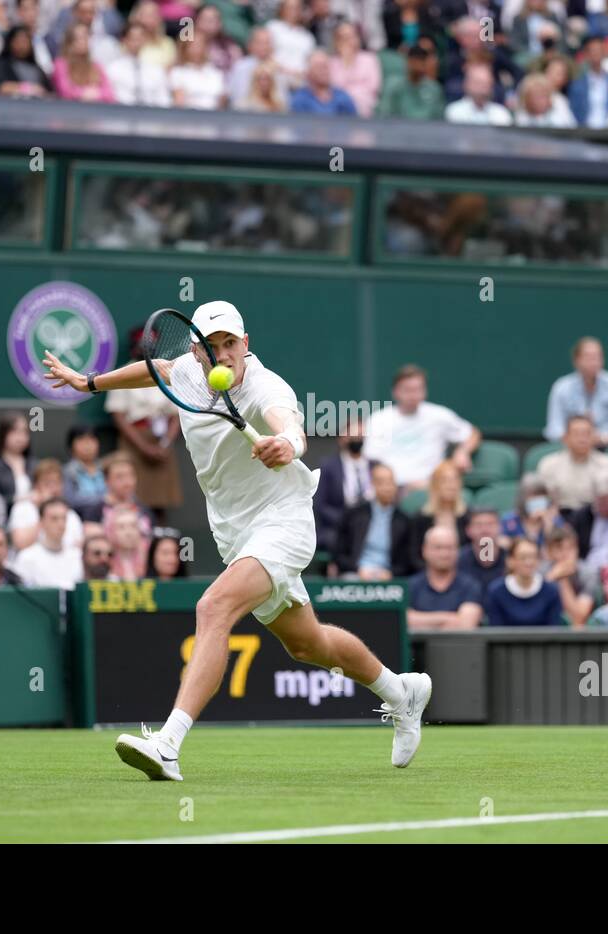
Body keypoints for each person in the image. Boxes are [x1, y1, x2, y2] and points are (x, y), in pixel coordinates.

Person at [43, 299, 432, 779]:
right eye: (212, 346)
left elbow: (290, 423)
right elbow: (157, 369)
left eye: (231, 344)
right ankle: (402, 693)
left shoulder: (267, 385)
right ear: (197, 350)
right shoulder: (185, 369)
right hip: (235, 529)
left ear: (246, 345)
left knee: (213, 607)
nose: (223, 354)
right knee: (307, 646)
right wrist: (89, 382)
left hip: (284, 521)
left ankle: (168, 744)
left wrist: (286, 443)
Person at [363, 364, 480, 490]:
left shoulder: (439, 415)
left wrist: (463, 451)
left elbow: (472, 433)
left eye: (418, 389)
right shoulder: (378, 420)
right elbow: (371, 461)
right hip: (390, 491)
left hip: (432, 489)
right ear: (395, 392)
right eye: (407, 390)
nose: (413, 395)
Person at [105, 327, 182, 517]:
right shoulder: (122, 373)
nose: (147, 348)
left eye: (151, 343)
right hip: (135, 442)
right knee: (133, 499)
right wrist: (144, 447)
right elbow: (119, 415)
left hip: (161, 442)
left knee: (161, 503)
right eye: (142, 344)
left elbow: (176, 414)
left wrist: (165, 444)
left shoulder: (165, 372)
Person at [543, 337, 608, 446]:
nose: (594, 362)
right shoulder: (561, 387)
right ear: (576, 360)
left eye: (597, 357)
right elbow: (553, 429)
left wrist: (601, 438)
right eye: (588, 357)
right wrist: (576, 439)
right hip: (570, 449)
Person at [333, 461, 416, 580]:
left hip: (390, 578)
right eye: (381, 482)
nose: (387, 487)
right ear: (372, 484)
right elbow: (339, 553)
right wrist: (357, 569)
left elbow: (407, 561)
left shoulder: (404, 520)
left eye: (390, 482)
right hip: (356, 574)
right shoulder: (354, 515)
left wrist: (391, 573)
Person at [536, 415, 608, 513]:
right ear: (565, 438)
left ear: (595, 437)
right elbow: (544, 502)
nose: (582, 439)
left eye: (586, 434)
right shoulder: (549, 464)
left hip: (595, 518)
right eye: (576, 434)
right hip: (560, 517)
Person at [406, 525, 483, 632]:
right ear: (424, 550)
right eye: (438, 547)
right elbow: (404, 621)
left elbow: (466, 625)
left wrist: (421, 620)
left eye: (450, 548)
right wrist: (449, 619)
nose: (444, 554)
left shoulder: (470, 586)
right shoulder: (411, 586)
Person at [314, 422, 372, 554]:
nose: (357, 440)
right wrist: (346, 522)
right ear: (342, 438)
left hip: (371, 525)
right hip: (338, 527)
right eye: (352, 436)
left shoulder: (375, 467)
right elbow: (320, 505)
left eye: (360, 436)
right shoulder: (329, 467)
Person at [483, 538, 563, 627]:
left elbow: (554, 631)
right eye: (523, 557)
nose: (528, 562)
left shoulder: (551, 591)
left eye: (533, 557)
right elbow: (495, 631)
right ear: (510, 560)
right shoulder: (496, 591)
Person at [8, 458, 84, 551]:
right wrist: (45, 510)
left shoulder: (71, 515)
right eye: (47, 483)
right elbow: (20, 543)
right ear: (36, 485)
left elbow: (78, 548)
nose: (53, 488)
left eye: (57, 483)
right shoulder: (23, 508)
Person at [10, 497, 83, 590]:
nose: (61, 524)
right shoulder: (27, 557)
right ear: (41, 522)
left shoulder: (78, 556)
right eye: (54, 519)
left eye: (64, 518)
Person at [566, 33, 608, 128]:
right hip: (584, 133)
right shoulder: (577, 85)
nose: (596, 54)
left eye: (599, 50)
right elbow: (574, 113)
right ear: (586, 54)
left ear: (604, 52)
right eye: (592, 51)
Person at [376, 41, 445, 120]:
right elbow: (385, 114)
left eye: (421, 59)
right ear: (408, 61)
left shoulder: (434, 89)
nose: (417, 64)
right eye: (414, 59)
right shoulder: (394, 86)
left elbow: (439, 119)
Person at [0, 411, 35, 516]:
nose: (20, 437)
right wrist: (19, 500)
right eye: (15, 431)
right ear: (3, 434)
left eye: (24, 432)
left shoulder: (35, 464)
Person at [544, 525, 592, 628]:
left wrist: (561, 578)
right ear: (549, 552)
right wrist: (551, 578)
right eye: (559, 548)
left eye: (571, 548)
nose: (566, 553)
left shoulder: (589, 573)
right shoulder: (540, 572)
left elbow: (578, 617)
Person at [498, 474, 560, 551]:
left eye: (541, 495)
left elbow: (560, 548)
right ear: (522, 498)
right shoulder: (509, 520)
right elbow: (500, 541)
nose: (537, 499)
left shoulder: (555, 520)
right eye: (532, 496)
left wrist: (548, 528)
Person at [0, 23, 54, 96]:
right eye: (18, 41)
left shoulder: (36, 68)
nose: (22, 45)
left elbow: (47, 91)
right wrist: (28, 89)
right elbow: (0, 87)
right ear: (10, 43)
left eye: (25, 41)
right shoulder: (1, 64)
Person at [62, 424, 106, 522]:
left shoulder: (106, 468)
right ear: (71, 445)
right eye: (81, 439)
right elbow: (70, 500)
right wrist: (103, 499)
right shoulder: (67, 472)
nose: (87, 444)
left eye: (92, 439)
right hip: (82, 519)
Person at [457, 507, 506, 590]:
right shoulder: (458, 560)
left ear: (500, 528)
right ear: (468, 530)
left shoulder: (511, 559)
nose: (485, 530)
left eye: (490, 524)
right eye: (478, 525)